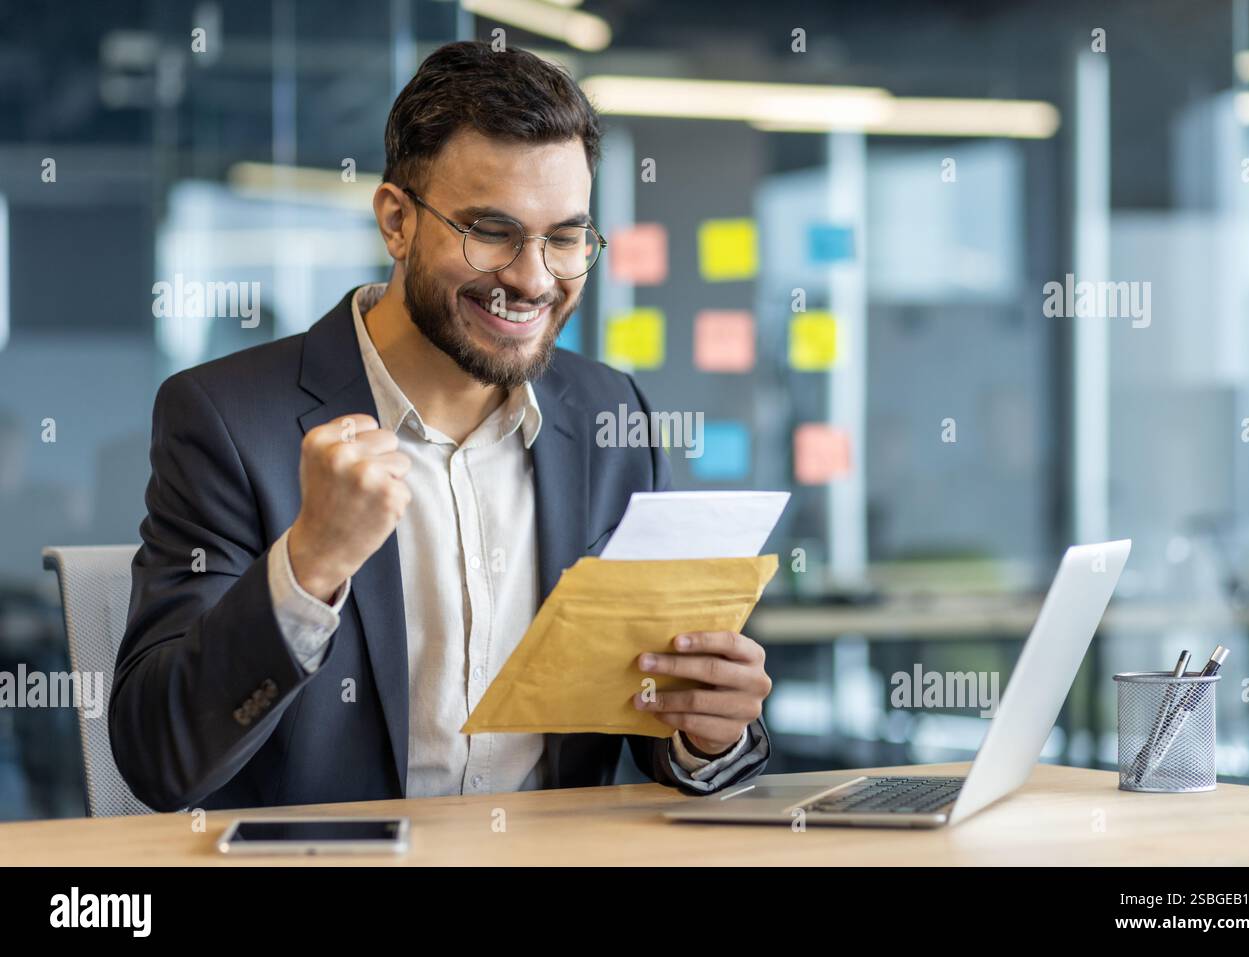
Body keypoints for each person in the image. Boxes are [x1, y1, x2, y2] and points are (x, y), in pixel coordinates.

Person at [109, 40, 772, 811]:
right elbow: (159, 758)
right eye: (491, 232)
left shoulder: (610, 416)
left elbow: (650, 705)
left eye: (564, 238)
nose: (531, 278)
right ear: (396, 221)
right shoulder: (227, 419)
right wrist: (310, 562)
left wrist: (705, 734)